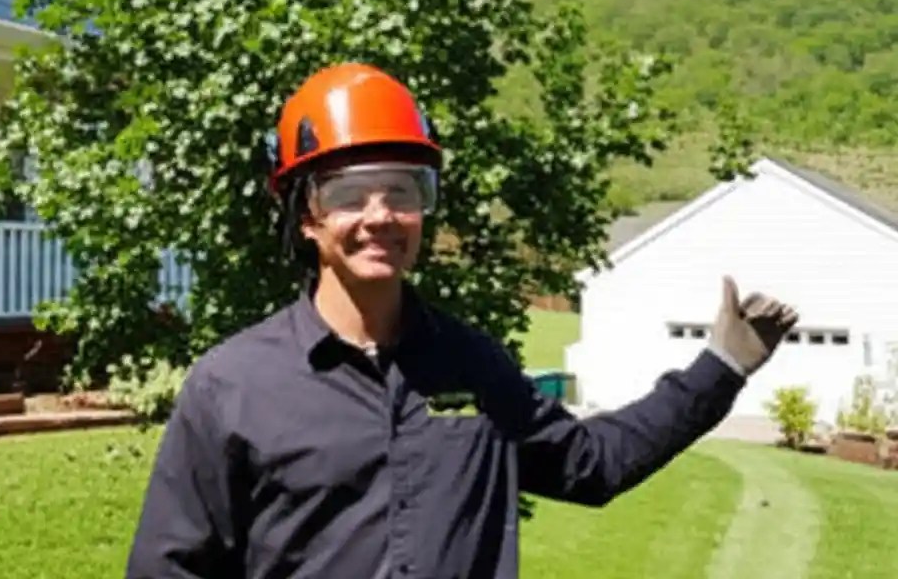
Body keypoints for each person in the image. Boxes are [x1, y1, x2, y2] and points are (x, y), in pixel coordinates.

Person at [125, 63, 798, 579]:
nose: (380, 216)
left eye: (404, 191)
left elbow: (591, 465)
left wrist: (722, 368)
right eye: (349, 195)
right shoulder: (231, 386)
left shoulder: (474, 367)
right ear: (307, 216)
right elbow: (170, 568)